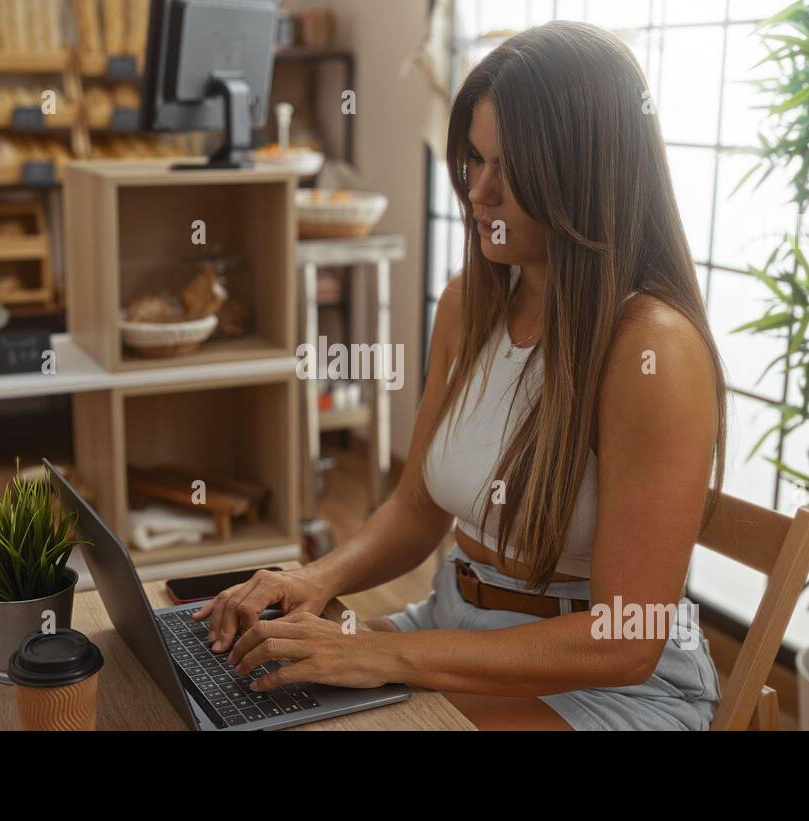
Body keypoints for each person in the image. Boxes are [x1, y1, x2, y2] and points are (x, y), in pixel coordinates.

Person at [196, 21, 727, 730]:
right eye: (473, 160)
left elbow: (626, 639)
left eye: (510, 169)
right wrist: (311, 578)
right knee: (248, 685)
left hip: (603, 684)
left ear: (584, 174)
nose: (479, 191)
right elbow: (417, 509)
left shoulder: (650, 350)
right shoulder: (469, 303)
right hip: (453, 623)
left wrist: (386, 656)